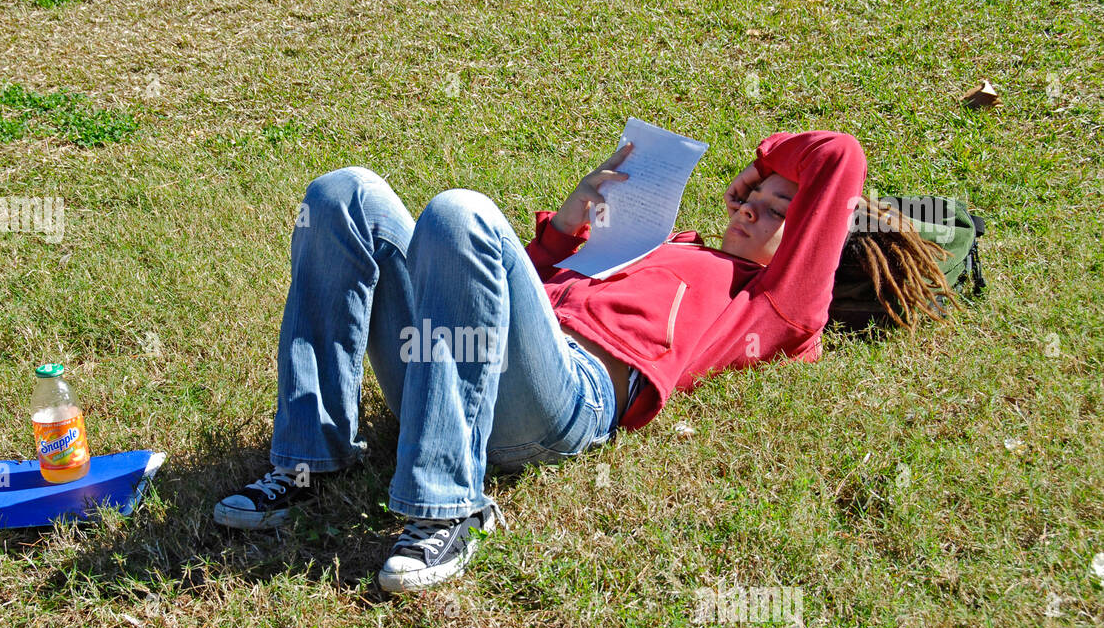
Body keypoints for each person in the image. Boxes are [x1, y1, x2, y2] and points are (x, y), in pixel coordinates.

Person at [214, 130, 954, 592]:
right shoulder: (670, 245)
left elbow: (837, 156)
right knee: (344, 194)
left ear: (809, 244)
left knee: (460, 210)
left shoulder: (772, 306)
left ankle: (450, 509)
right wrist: (562, 235)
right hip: (454, 370)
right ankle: (309, 462)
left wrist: (762, 158)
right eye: (750, 193)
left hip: (563, 398)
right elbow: (482, 288)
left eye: (774, 206)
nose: (748, 206)